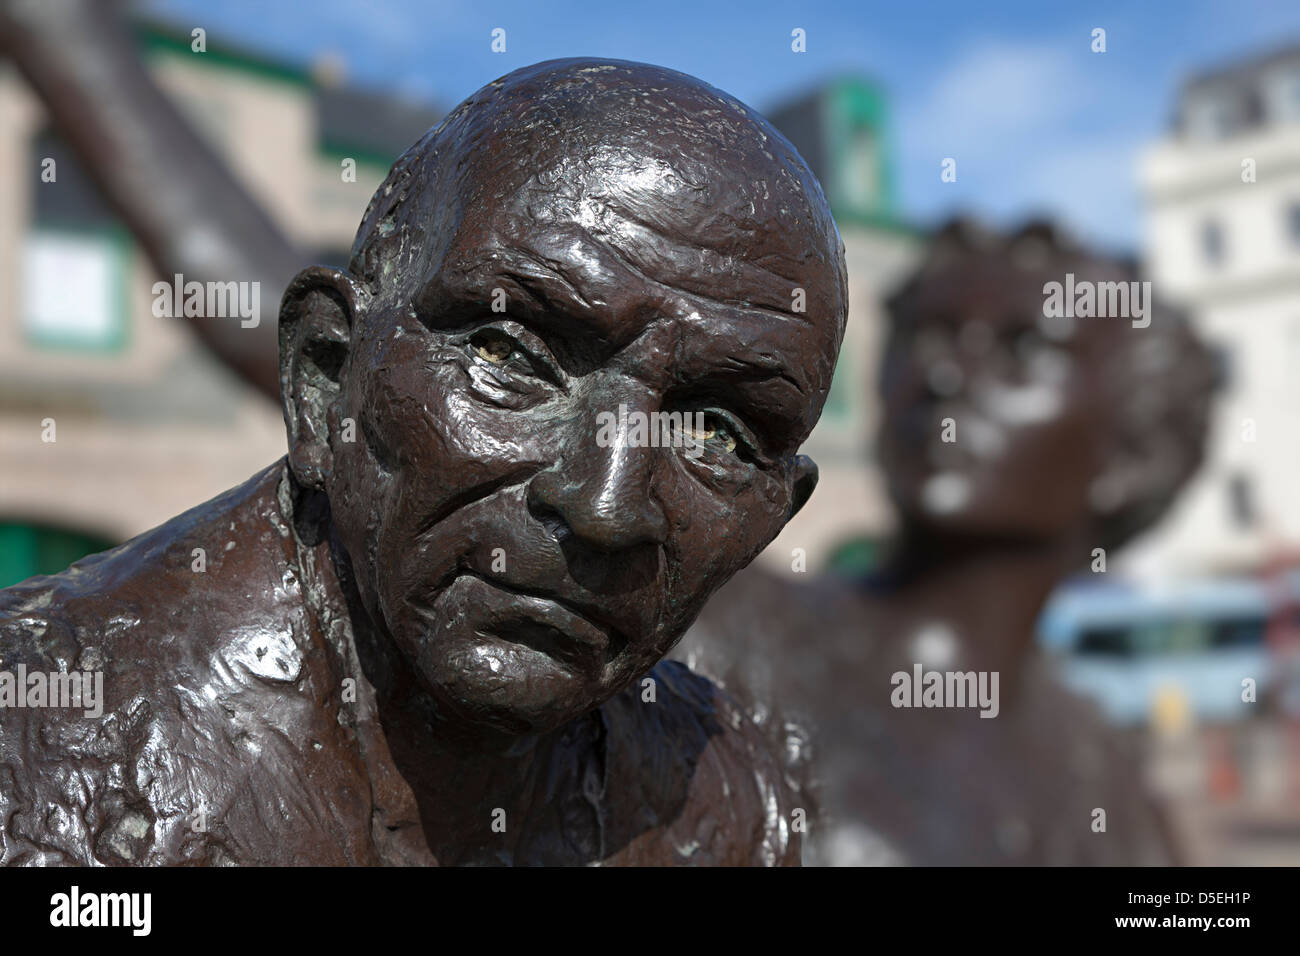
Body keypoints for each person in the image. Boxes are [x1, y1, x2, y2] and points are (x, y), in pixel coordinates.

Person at [0, 58, 848, 866]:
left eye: (717, 437)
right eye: (512, 357)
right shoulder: (35, 766)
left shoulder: (730, 808)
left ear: (777, 517)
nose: (605, 505)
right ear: (327, 378)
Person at [677, 218, 1217, 864]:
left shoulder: (1111, 778)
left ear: (1132, 456)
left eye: (1023, 349)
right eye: (925, 337)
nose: (944, 374)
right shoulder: (712, 641)